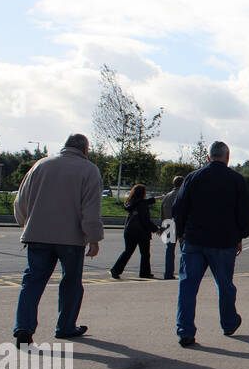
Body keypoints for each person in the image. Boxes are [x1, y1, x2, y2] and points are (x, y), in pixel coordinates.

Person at [11, 133, 104, 347]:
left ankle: (23, 328)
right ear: (85, 149)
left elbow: (20, 201)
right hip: (70, 239)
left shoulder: (40, 165)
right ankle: (65, 326)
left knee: (32, 282)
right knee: (71, 283)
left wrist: (26, 224)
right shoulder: (89, 170)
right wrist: (94, 239)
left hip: (37, 236)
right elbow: (90, 209)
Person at [171, 141, 249, 347]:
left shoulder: (192, 178)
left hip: (194, 240)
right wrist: (240, 236)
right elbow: (244, 212)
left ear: (208, 157)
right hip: (224, 242)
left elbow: (178, 208)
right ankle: (228, 322)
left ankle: (185, 331)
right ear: (228, 157)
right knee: (225, 285)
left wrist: (180, 233)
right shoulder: (237, 180)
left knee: (188, 286)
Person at [110, 183, 159, 279]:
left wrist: (156, 199)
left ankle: (116, 269)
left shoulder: (130, 203)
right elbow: (145, 220)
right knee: (145, 253)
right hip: (141, 232)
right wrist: (156, 229)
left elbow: (145, 202)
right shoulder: (142, 204)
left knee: (128, 251)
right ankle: (144, 272)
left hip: (129, 230)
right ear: (143, 193)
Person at [160, 175, 184, 279]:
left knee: (169, 250)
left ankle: (168, 273)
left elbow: (162, 212)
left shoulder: (167, 196)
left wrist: (162, 227)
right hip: (180, 225)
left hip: (168, 223)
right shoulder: (183, 194)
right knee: (184, 250)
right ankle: (183, 272)